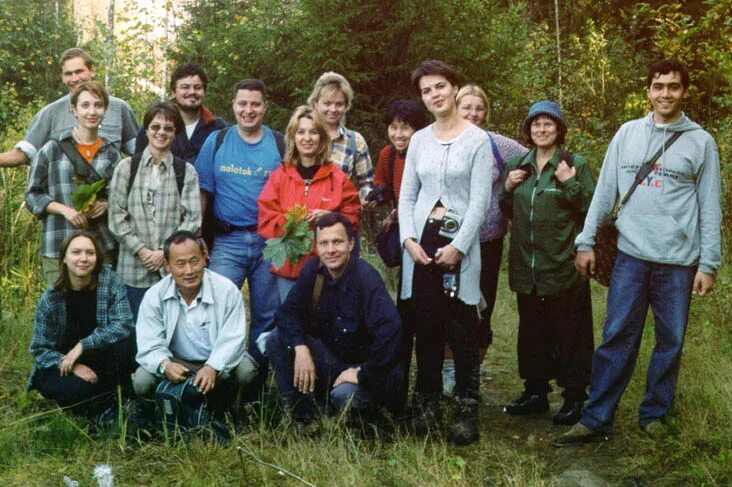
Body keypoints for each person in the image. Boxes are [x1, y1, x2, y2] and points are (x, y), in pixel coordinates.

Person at [554, 59, 721, 446]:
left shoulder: (701, 142)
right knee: (616, 336)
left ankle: (655, 416)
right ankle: (596, 418)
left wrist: (708, 264)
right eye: (658, 86)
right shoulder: (627, 134)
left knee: (670, 341)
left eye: (674, 87)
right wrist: (585, 240)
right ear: (647, 91)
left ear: (684, 92)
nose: (665, 93)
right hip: (630, 256)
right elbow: (604, 193)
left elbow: (710, 207)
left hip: (678, 263)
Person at [399, 60, 493, 445]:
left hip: (459, 249)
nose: (434, 94)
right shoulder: (419, 139)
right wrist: (408, 240)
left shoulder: (476, 141)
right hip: (421, 245)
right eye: (426, 91)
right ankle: (427, 403)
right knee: (427, 327)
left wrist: (459, 246)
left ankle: (465, 408)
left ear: (454, 88)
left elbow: (480, 201)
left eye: (440, 86)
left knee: (462, 328)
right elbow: (407, 194)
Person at [499, 100, 596, 426]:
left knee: (570, 334)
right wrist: (507, 188)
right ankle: (535, 392)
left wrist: (569, 181)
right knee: (532, 333)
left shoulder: (574, 164)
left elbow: (590, 211)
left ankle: (573, 397)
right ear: (528, 129)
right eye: (535, 124)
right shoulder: (518, 165)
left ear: (559, 129)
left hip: (563, 266)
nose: (541, 129)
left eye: (548, 124)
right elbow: (506, 210)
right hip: (527, 268)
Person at [266, 213, 404, 427]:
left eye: (337, 242)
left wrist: (362, 374)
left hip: (366, 371)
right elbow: (287, 313)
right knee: (276, 339)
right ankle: (304, 420)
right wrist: (300, 348)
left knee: (345, 396)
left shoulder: (366, 279)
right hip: (333, 361)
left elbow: (392, 333)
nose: (330, 250)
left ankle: (368, 425)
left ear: (351, 243)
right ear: (317, 246)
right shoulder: (314, 271)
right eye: (324, 243)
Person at [441, 84, 528, 395]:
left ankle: (472, 376)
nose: (473, 114)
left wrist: (508, 183)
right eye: (467, 107)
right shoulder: (444, 141)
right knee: (449, 307)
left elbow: (533, 158)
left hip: (487, 242)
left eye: (479, 108)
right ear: (455, 107)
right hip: (448, 243)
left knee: (481, 309)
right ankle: (450, 373)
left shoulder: (498, 145)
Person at [194, 79, 282, 379]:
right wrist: (196, 235)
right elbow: (203, 193)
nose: (248, 110)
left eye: (255, 104)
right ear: (233, 105)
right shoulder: (217, 141)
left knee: (267, 316)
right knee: (216, 310)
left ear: (264, 107)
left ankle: (254, 384)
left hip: (268, 241)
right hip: (227, 241)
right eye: (242, 103)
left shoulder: (280, 144)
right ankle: (219, 379)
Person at [132, 231, 258, 407]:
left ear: (205, 257)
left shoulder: (226, 290)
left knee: (247, 370)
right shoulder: (154, 296)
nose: (189, 271)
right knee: (141, 380)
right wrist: (165, 364)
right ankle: (159, 417)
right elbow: (149, 342)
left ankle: (232, 414)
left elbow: (233, 339)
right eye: (180, 264)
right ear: (167, 266)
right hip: (176, 360)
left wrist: (212, 367)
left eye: (194, 261)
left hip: (215, 358)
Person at [108, 101, 202, 320]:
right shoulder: (127, 167)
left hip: (171, 270)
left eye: (168, 128)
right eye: (155, 127)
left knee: (170, 327)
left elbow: (192, 219)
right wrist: (142, 250)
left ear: (175, 133)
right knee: (133, 329)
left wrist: (164, 253)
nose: (161, 132)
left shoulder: (185, 172)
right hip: (132, 267)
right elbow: (116, 217)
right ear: (147, 130)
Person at [27, 231, 135, 419]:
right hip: (63, 363)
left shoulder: (110, 281)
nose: (83, 259)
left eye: (90, 253)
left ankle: (116, 402)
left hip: (100, 356)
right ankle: (98, 409)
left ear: (97, 258)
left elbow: (124, 324)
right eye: (76, 252)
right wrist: (73, 365)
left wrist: (83, 345)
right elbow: (40, 349)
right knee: (78, 389)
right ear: (64, 259)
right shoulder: (50, 300)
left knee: (127, 344)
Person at [257, 106, 361, 302]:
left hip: (328, 267)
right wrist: (291, 222)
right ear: (293, 137)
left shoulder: (336, 178)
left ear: (322, 138)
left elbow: (353, 216)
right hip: (291, 268)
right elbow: (265, 217)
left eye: (313, 132)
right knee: (293, 321)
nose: (307, 138)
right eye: (301, 132)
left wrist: (330, 219)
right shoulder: (280, 176)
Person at [25, 81, 122, 286]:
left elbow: (123, 197)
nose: (91, 111)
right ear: (74, 109)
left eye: (98, 105)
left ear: (105, 109)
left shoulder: (112, 153)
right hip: (57, 243)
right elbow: (32, 195)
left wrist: (107, 205)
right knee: (60, 310)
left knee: (97, 308)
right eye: (85, 105)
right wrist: (65, 210)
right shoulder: (52, 149)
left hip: (99, 247)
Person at [368, 99, 428, 409]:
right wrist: (379, 195)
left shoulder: (428, 150)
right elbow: (382, 183)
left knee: (425, 311)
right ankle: (397, 391)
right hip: (404, 238)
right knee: (405, 309)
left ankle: (428, 389)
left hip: (429, 234)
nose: (399, 133)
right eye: (394, 127)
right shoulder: (388, 155)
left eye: (406, 127)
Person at [0, 47, 138, 168]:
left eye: (79, 72)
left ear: (92, 71)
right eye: (68, 74)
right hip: (64, 194)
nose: (74, 79)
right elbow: (23, 154)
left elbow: (140, 152)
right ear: (62, 77)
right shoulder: (50, 113)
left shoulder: (119, 108)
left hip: (110, 195)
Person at [134, 63, 227, 162]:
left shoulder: (218, 128)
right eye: (185, 87)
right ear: (173, 92)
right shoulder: (154, 128)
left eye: (197, 87)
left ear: (204, 91)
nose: (192, 92)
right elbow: (139, 166)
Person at [308, 71, 374, 203]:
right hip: (303, 216)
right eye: (327, 103)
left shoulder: (355, 141)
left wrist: (356, 203)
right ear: (315, 103)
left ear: (346, 106)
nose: (333, 109)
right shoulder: (303, 137)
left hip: (339, 217)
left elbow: (367, 182)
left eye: (339, 104)